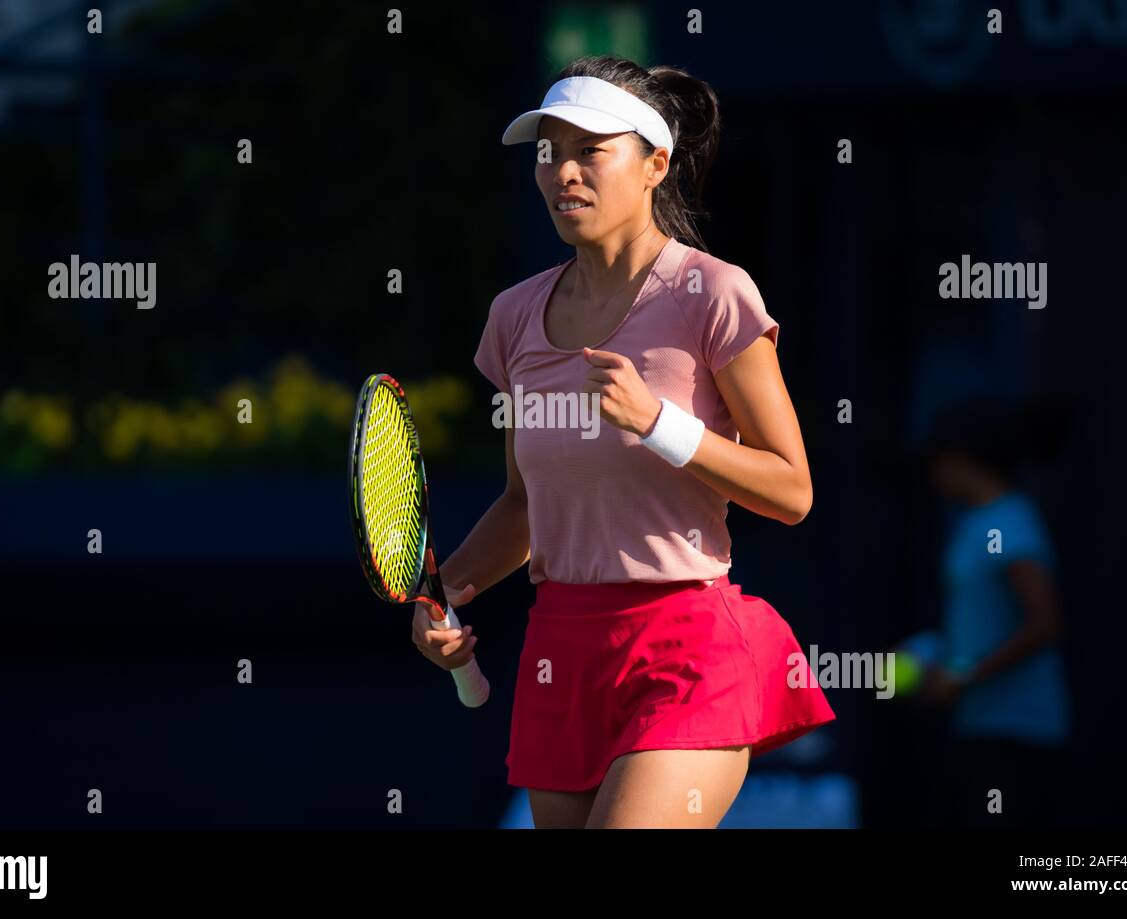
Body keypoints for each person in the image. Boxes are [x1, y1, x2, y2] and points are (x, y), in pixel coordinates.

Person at [410, 55, 835, 829]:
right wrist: (443, 595)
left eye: (590, 150)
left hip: (688, 648)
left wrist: (660, 424)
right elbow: (522, 505)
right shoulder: (512, 317)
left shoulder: (715, 292)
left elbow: (792, 489)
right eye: (549, 152)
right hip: (561, 654)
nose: (563, 171)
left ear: (655, 165)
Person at [917, 395, 1075, 827]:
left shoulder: (1008, 522)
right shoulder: (978, 524)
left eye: (937, 459)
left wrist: (965, 676)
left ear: (959, 459)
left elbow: (1045, 622)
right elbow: (976, 625)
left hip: (1018, 739)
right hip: (982, 732)